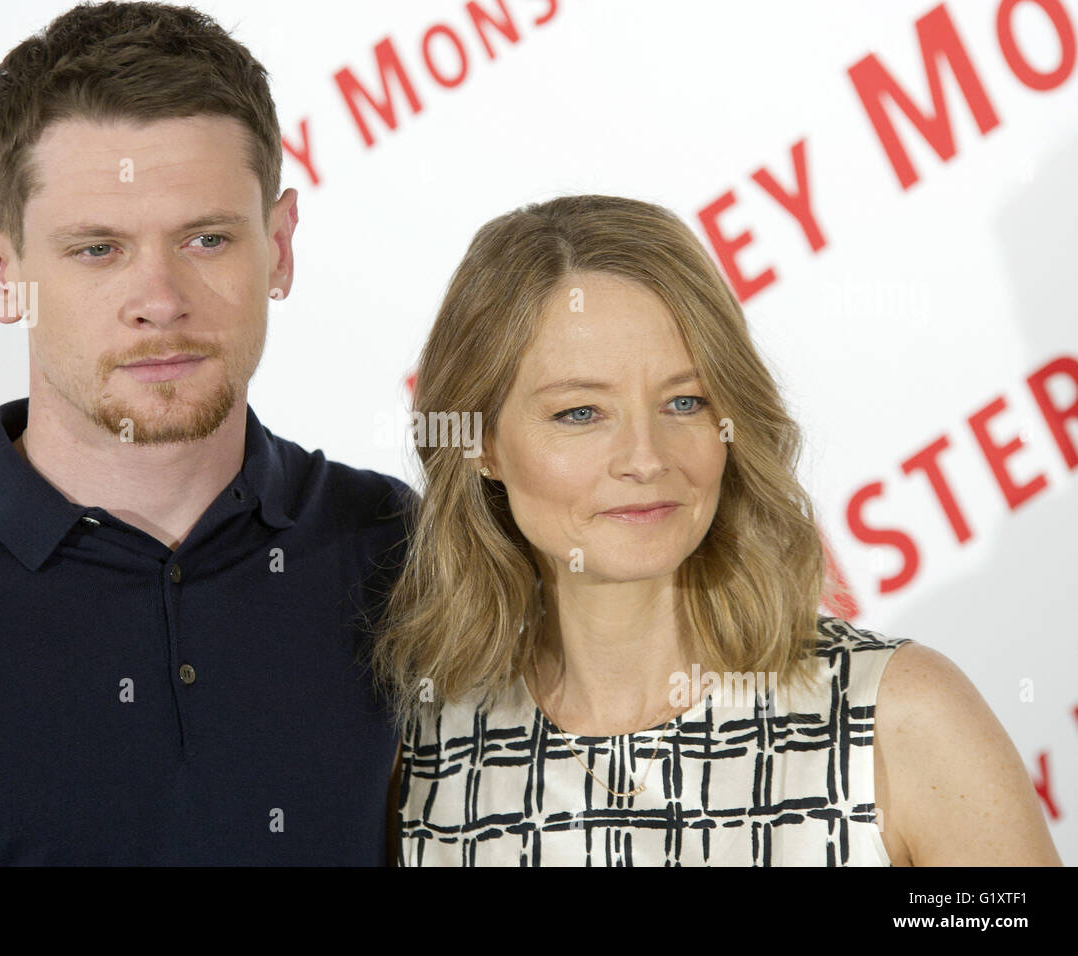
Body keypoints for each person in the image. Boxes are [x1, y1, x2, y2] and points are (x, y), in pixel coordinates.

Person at [0, 1, 414, 865]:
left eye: (206, 237)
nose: (159, 297)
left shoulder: (397, 549)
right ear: (1, 274)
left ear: (280, 244)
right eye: (97, 250)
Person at [374, 194, 1062, 866]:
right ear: (482, 444)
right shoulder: (423, 753)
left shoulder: (897, 717)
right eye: (580, 413)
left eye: (686, 402)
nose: (646, 458)